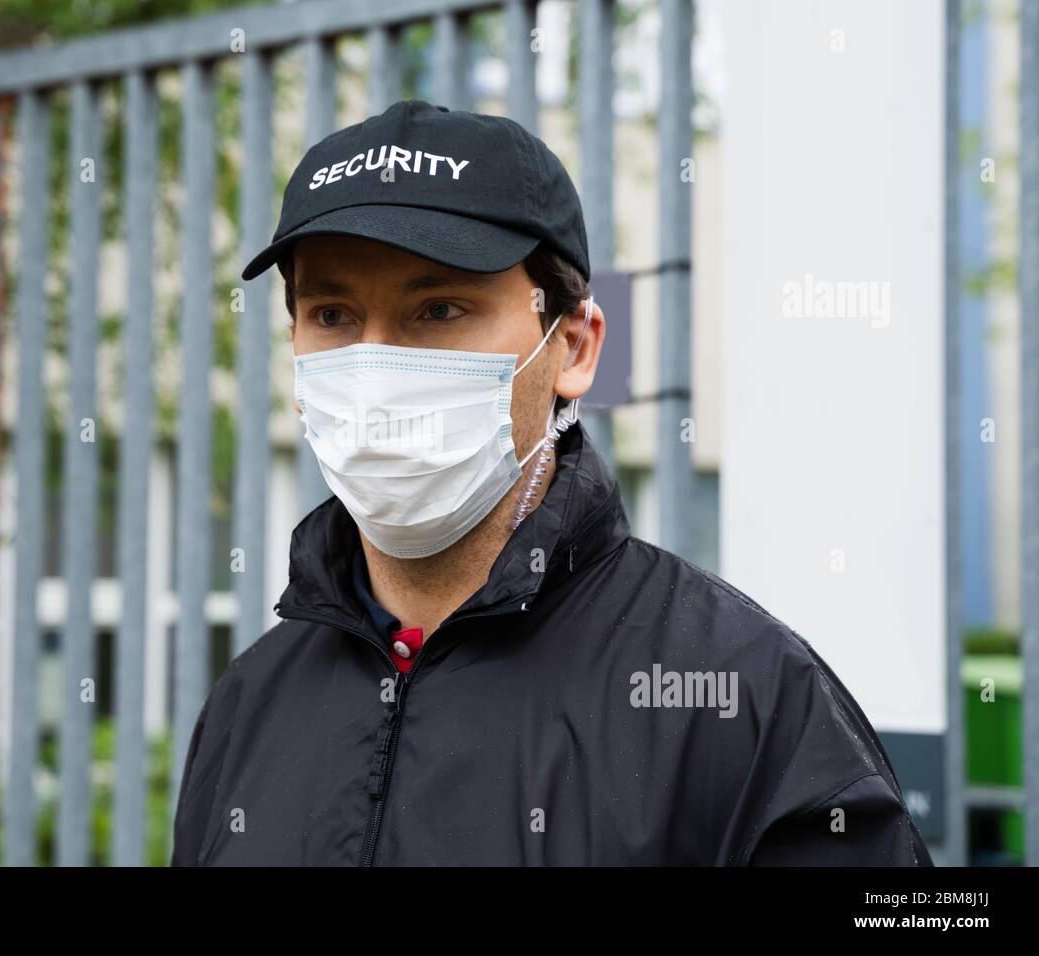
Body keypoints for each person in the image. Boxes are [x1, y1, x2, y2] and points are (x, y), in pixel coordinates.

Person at [171, 100, 932, 866]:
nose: (373, 369)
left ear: (572, 346)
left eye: (438, 308)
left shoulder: (740, 696)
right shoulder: (250, 704)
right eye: (332, 314)